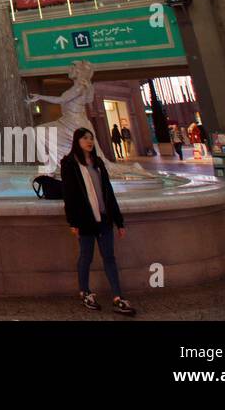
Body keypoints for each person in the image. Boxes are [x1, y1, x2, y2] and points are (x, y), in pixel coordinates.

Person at [61, 127, 136, 316]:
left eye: (91, 138)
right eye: (85, 138)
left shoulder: (98, 163)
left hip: (104, 218)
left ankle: (118, 297)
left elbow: (108, 193)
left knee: (109, 257)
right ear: (77, 141)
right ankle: (85, 292)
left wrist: (119, 221)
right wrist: (73, 222)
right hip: (85, 220)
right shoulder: (69, 164)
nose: (89, 141)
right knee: (86, 256)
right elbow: (69, 196)